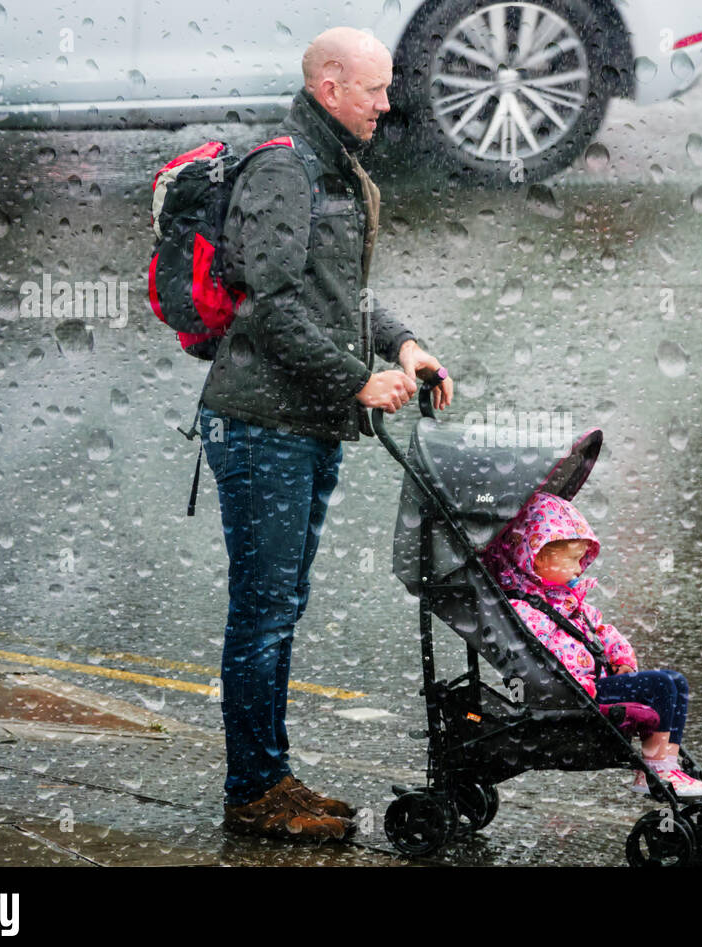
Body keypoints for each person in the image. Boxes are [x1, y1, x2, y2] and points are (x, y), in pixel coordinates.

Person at [197, 27, 453, 841]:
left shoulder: (332, 163)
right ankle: (255, 790)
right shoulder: (284, 169)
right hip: (260, 427)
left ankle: (270, 778)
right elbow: (269, 309)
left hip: (300, 425)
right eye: (375, 89)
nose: (388, 103)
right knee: (265, 612)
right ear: (330, 85)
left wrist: (404, 345)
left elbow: (340, 295)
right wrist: (356, 380)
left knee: (280, 605)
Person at [484, 491, 702, 799]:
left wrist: (620, 656)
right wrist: (580, 684)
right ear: (538, 557)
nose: (580, 568)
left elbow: (601, 630)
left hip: (591, 684)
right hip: (577, 693)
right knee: (661, 686)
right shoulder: (526, 610)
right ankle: (657, 770)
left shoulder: (563, 599)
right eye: (572, 560)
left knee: (675, 682)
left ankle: (665, 763)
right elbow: (543, 656)